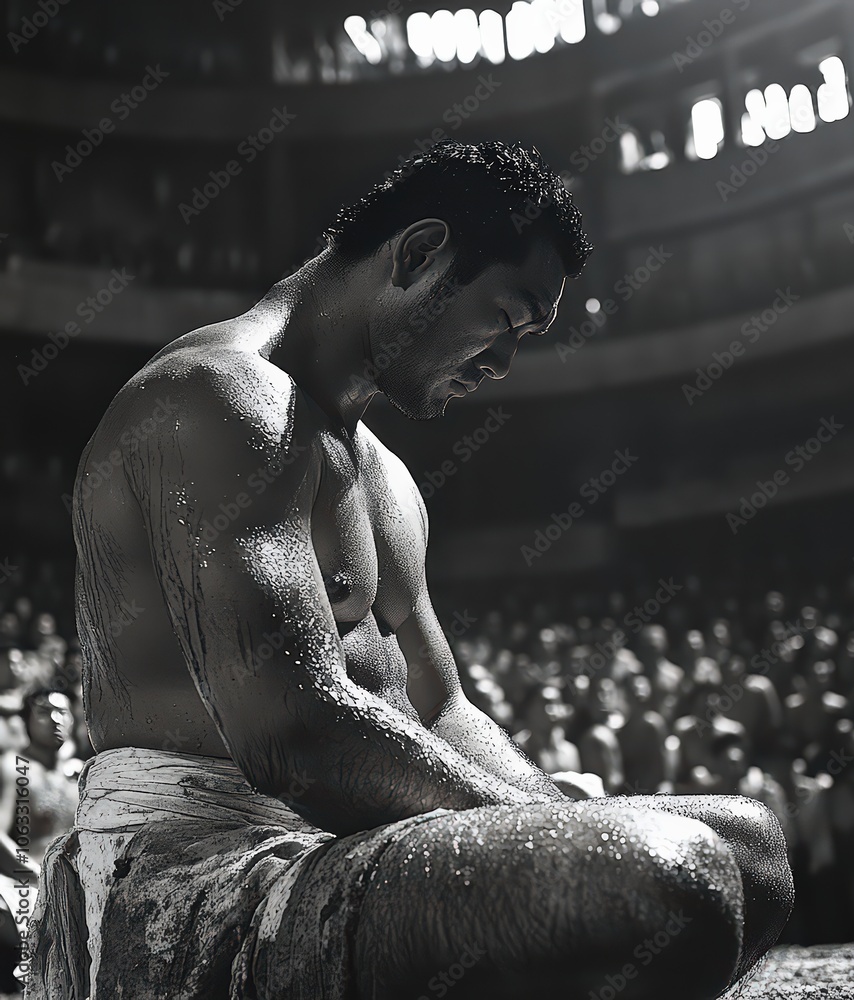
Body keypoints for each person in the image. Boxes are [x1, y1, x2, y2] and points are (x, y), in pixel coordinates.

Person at [29, 141, 792, 1000]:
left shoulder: (386, 477)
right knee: (671, 878)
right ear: (420, 254)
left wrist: (555, 820)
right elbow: (292, 732)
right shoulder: (214, 396)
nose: (501, 365)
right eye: (505, 320)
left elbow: (442, 708)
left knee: (751, 848)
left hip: (347, 850)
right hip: (202, 874)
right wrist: (553, 834)